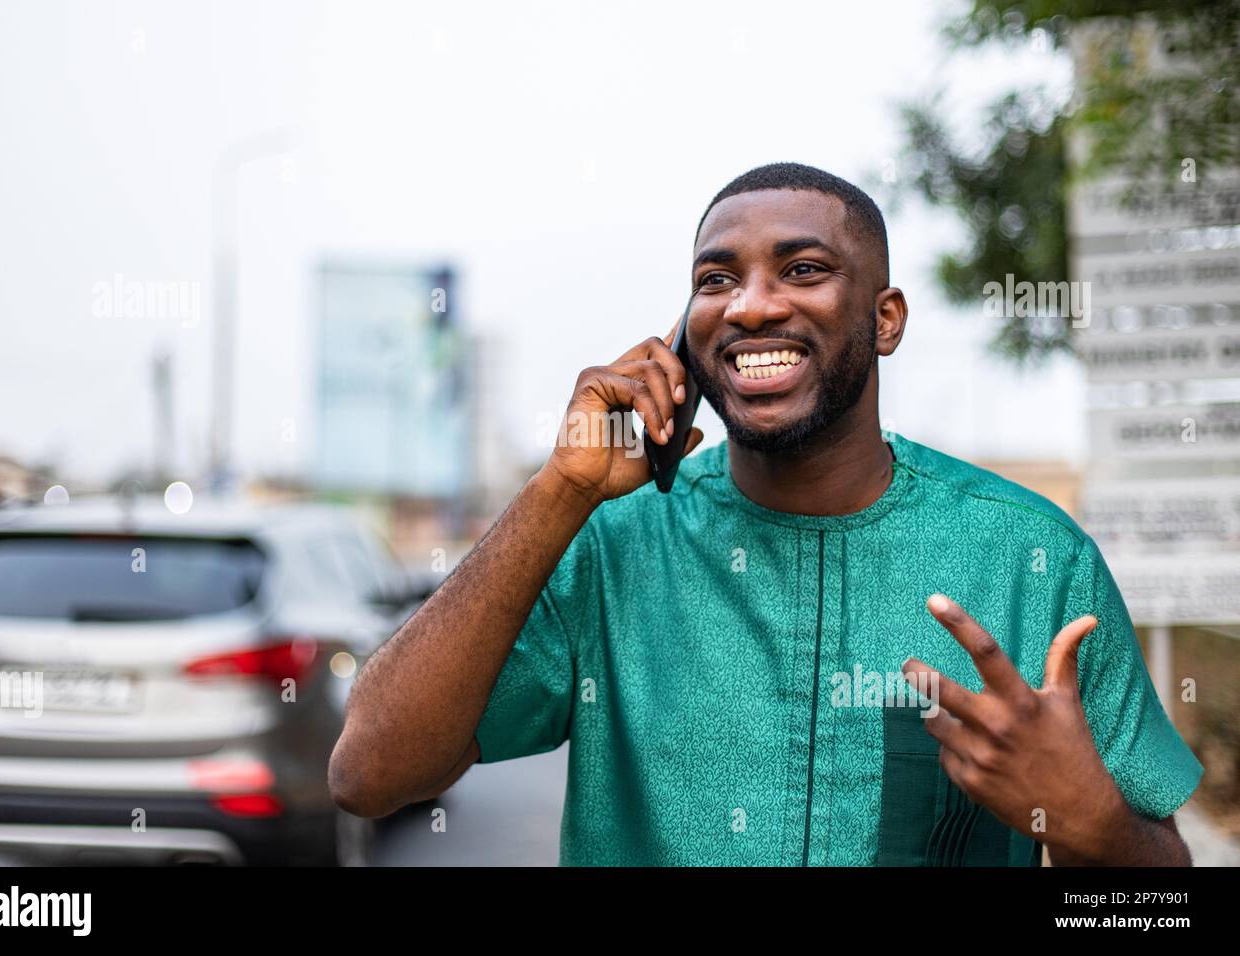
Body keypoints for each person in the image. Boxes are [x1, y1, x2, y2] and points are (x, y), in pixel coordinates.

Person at [329, 162, 1202, 866]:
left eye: (804, 270)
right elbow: (369, 774)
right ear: (684, 331)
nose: (750, 305)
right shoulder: (609, 544)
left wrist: (1087, 822)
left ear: (885, 319)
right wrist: (560, 489)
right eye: (716, 280)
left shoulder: (1030, 556)